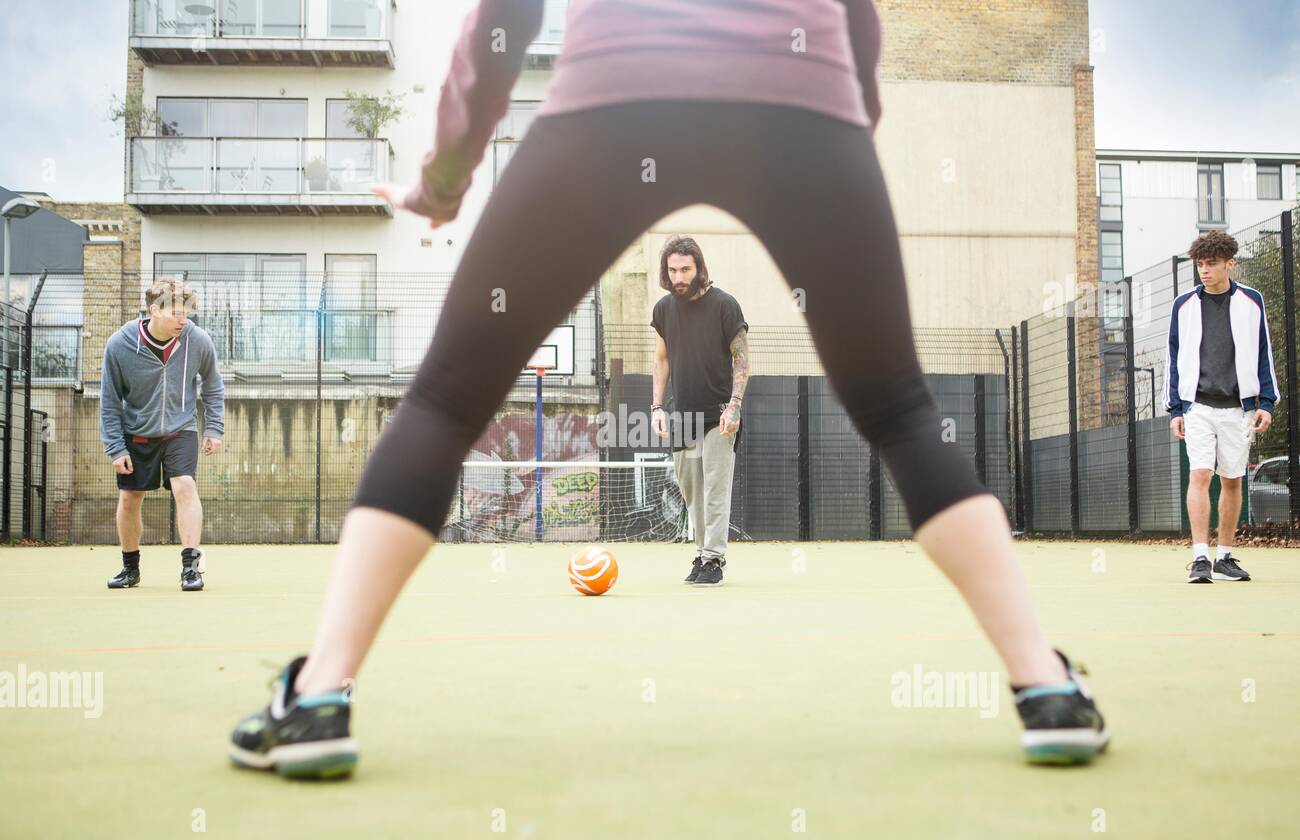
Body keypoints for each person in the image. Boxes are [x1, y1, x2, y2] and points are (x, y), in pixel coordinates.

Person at [228, 0, 1109, 779]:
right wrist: (846, 129)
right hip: (801, 112)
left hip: (616, 99)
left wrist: (445, 179)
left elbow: (507, 17)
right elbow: (858, 21)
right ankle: (1046, 686)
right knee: (901, 409)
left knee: (445, 400)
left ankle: (317, 698)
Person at [1164, 230, 1277, 583]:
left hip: (1238, 409)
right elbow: (1174, 357)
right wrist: (1176, 409)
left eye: (1211, 264)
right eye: (1200, 264)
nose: (1204, 271)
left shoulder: (1252, 301)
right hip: (1197, 406)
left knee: (1232, 481)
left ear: (1230, 263)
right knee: (1200, 474)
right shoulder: (1183, 305)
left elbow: (1264, 354)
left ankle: (1224, 557)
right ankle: (1200, 558)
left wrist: (1267, 403)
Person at [101, 277, 224, 592]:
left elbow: (212, 386)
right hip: (136, 433)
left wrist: (213, 428)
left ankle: (191, 569)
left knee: (185, 485)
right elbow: (110, 401)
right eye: (176, 313)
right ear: (154, 310)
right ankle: (130, 569)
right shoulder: (120, 344)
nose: (184, 320)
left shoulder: (198, 340)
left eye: (187, 312)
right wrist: (116, 447)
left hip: (180, 428)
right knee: (130, 498)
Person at [651, 236, 749, 586]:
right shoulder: (663, 309)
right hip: (683, 416)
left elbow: (741, 358)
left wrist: (735, 406)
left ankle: (714, 560)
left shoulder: (725, 305)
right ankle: (702, 552)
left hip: (721, 413)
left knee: (714, 488)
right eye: (672, 270)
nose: (678, 276)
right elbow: (661, 360)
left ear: (698, 268)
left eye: (685, 269)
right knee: (692, 490)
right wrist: (657, 407)